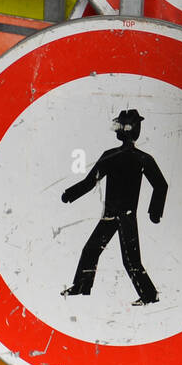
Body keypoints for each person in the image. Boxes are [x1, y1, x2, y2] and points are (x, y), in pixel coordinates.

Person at [60, 109, 167, 305]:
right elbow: (161, 185)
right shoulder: (137, 157)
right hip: (115, 215)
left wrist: (70, 194)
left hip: (124, 216)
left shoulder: (122, 156)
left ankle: (150, 296)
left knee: (129, 260)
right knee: (93, 250)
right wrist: (155, 213)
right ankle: (81, 287)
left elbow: (161, 185)